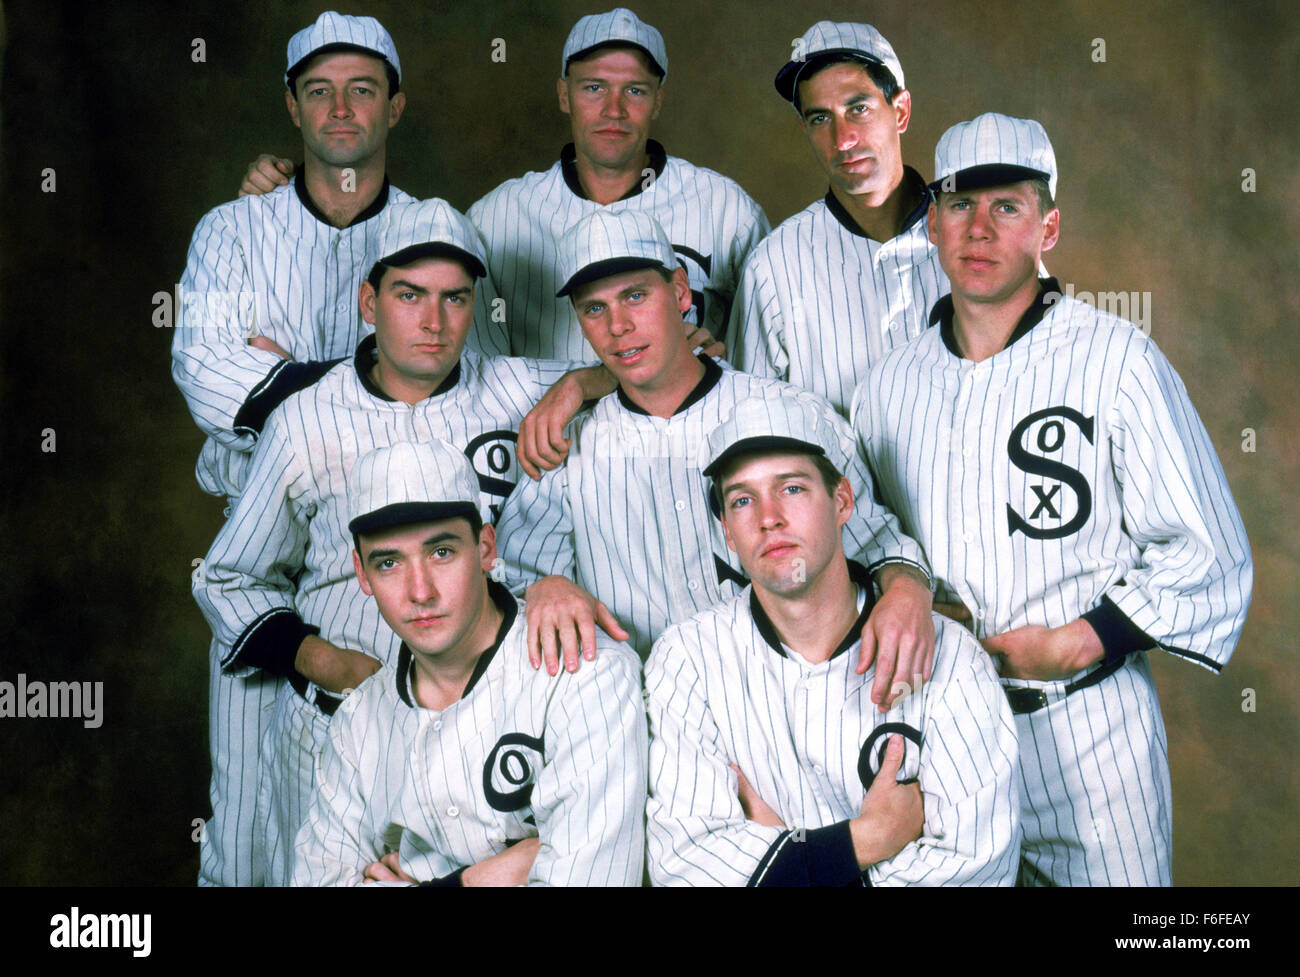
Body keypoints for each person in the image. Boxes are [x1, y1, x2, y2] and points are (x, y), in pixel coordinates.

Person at [852, 113, 1253, 885]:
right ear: (930, 222)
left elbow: (1209, 548)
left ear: (1049, 226)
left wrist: (1082, 638)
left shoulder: (1116, 357)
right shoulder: (883, 389)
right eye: (960, 204)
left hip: (1091, 730)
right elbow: (863, 539)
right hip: (946, 739)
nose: (978, 228)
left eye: (1007, 206)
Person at [193, 197, 606, 885]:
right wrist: (322, 660)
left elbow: (666, 361)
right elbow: (230, 576)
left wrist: (576, 384)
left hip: (477, 720)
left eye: (455, 298)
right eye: (410, 295)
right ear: (368, 299)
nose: (435, 321)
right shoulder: (306, 419)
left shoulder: (511, 387)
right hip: (336, 722)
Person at [496, 208, 936, 714]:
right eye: (594, 309)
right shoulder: (565, 445)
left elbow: (878, 542)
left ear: (680, 292)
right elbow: (517, 571)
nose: (618, 326)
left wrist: (907, 590)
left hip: (800, 709)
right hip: (651, 724)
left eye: (636, 296)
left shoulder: (790, 412)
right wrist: (544, 586)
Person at [173, 11, 419, 886]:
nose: (341, 108)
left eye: (362, 89)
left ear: (395, 105)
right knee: (244, 821)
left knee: (385, 817)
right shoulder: (231, 230)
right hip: (258, 554)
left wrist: (289, 377)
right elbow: (204, 369)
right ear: (292, 106)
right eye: (320, 90)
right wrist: (369, 378)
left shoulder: (435, 226)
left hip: (394, 562)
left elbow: (461, 382)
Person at [241, 8, 767, 362]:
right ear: (563, 95)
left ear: (659, 99)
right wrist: (283, 201)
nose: (613, 109)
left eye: (634, 89)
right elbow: (460, 360)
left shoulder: (725, 209)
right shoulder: (498, 216)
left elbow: (758, 358)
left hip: (690, 457)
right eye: (593, 87)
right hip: (538, 463)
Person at [644, 399, 1020, 886]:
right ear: (728, 534)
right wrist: (864, 839)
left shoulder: (951, 656)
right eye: (742, 500)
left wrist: (790, 860)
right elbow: (686, 867)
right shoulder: (687, 659)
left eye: (792, 489)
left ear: (842, 501)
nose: (769, 518)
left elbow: (978, 870)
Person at [292, 439, 646, 887]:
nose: (420, 591)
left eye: (441, 552)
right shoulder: (356, 724)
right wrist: (478, 879)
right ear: (362, 574)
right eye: (388, 563)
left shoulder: (585, 672)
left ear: (484, 549)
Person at [725, 21, 947, 416]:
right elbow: (751, 423)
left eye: (858, 109)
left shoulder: (979, 235)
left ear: (901, 111)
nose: (842, 140)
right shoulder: (775, 266)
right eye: (820, 119)